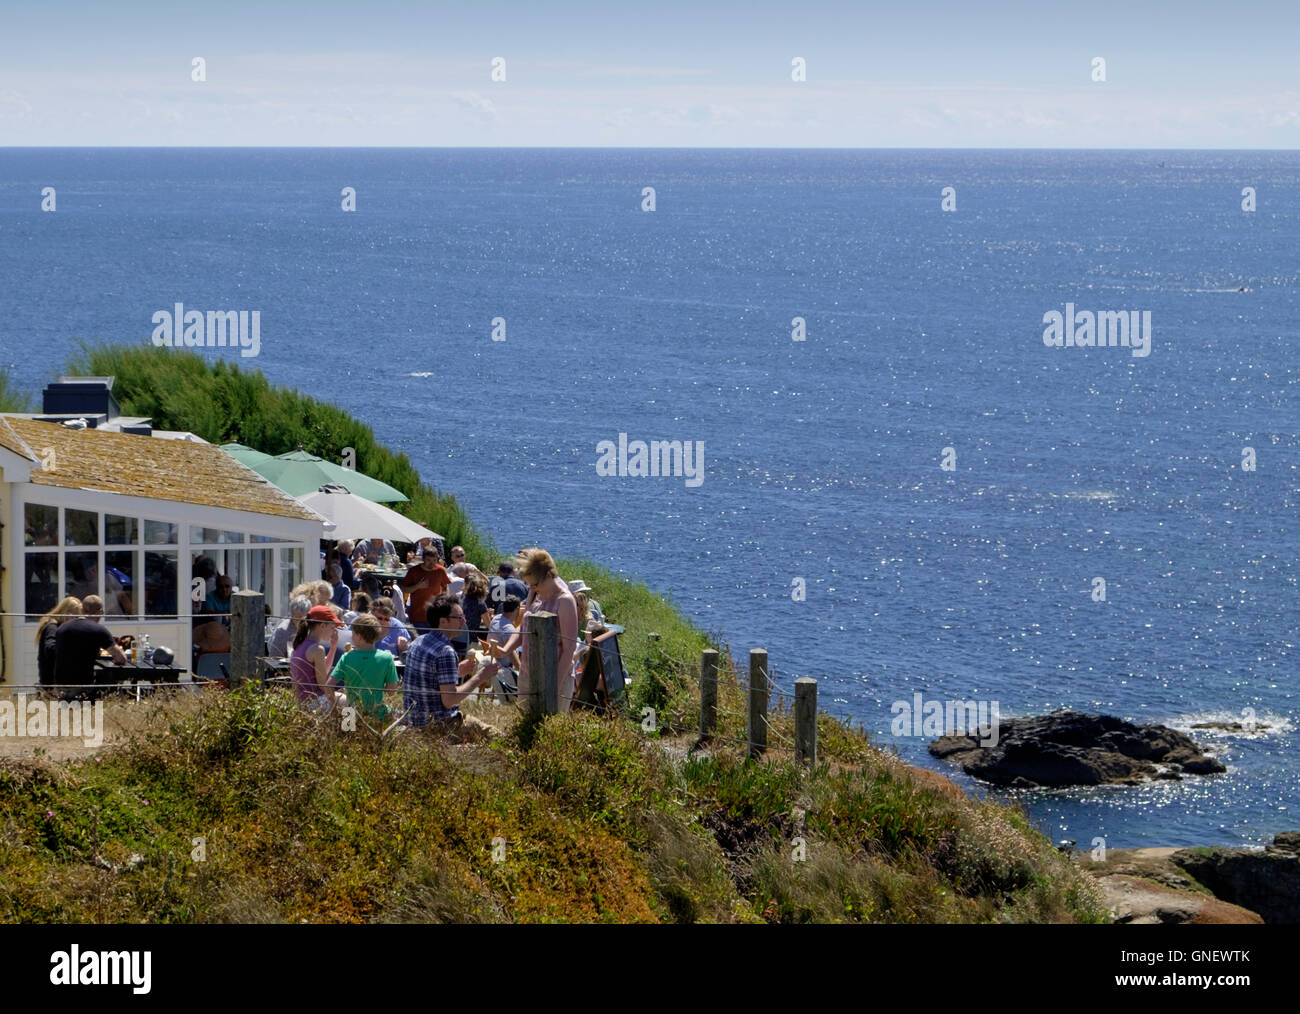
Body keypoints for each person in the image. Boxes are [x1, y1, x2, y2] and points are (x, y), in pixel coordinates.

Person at [481, 548, 578, 714]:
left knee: (550, 731)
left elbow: (569, 649)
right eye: (529, 584)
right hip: (527, 673)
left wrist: (553, 687)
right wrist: (505, 650)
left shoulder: (565, 600)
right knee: (526, 725)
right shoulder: (535, 594)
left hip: (555, 677)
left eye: (535, 584)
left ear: (549, 575)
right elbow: (523, 628)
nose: (531, 588)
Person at [403, 593, 492, 729]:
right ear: (443, 621)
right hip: (438, 726)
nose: (464, 621)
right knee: (496, 735)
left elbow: (427, 681)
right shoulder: (445, 651)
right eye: (459, 618)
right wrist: (481, 676)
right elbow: (449, 701)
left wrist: (456, 672)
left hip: (414, 722)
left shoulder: (419, 641)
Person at [328, 613, 401, 720]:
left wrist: (334, 709)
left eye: (353, 633)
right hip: (377, 714)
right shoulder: (387, 658)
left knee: (348, 736)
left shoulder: (347, 657)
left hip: (350, 713)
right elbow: (392, 692)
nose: (351, 636)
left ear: (360, 637)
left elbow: (329, 685)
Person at [53, 595, 126, 698]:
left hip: (60, 685)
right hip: (83, 687)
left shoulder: (62, 627)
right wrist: (120, 650)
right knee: (109, 676)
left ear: (81, 609)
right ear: (100, 612)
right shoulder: (98, 630)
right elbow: (121, 658)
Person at [290, 605, 343, 709]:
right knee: (350, 703)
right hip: (314, 702)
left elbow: (323, 671)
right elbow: (323, 685)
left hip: (302, 701)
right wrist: (335, 695)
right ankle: (347, 726)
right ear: (322, 626)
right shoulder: (317, 649)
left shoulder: (301, 643)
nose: (334, 631)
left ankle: (345, 725)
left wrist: (333, 648)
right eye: (332, 627)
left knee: (342, 698)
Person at [36, 596, 83, 690]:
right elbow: (50, 649)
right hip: (51, 682)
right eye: (76, 617)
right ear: (68, 614)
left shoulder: (57, 625)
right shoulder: (52, 627)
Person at [401, 552, 450, 633]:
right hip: (417, 616)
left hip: (435, 617)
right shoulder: (414, 571)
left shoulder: (440, 570)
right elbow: (404, 589)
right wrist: (417, 586)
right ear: (423, 559)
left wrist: (444, 603)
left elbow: (446, 588)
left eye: (434, 560)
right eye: (429, 560)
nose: (432, 563)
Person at [459, 570, 492, 655]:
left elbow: (469, 617)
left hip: (458, 637)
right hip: (471, 640)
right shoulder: (480, 603)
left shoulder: (463, 599)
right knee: (487, 651)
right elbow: (489, 625)